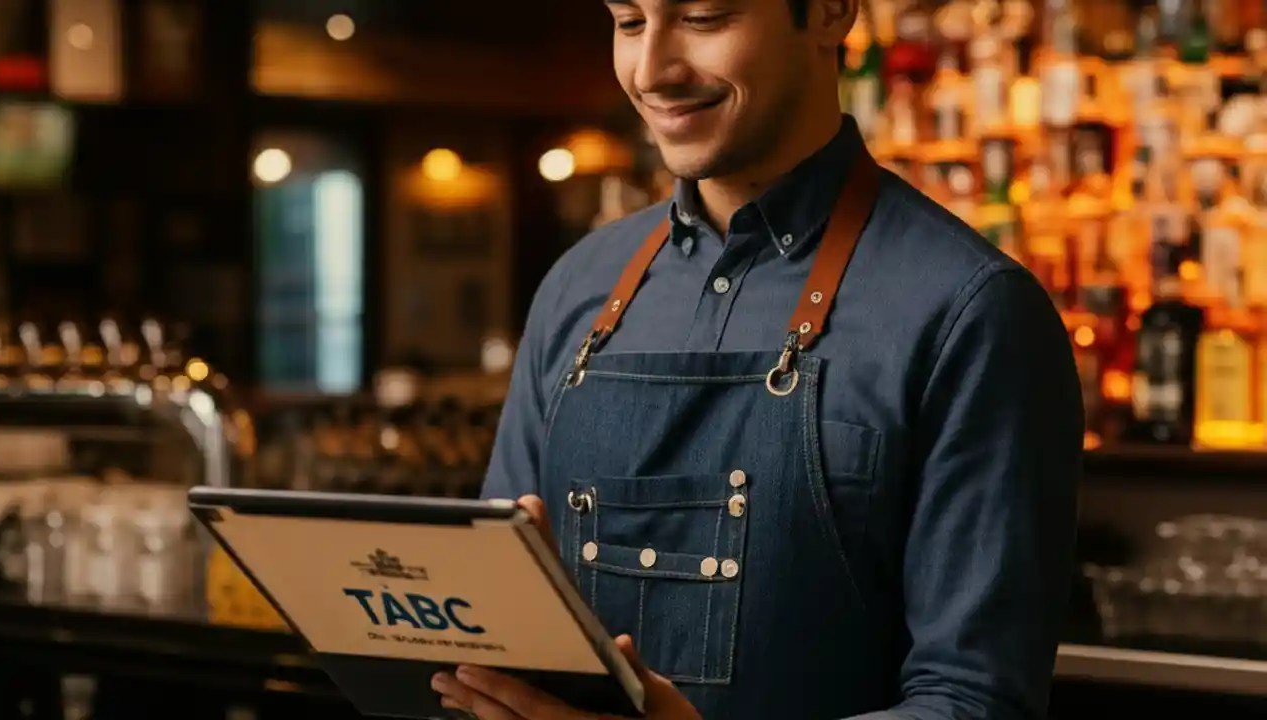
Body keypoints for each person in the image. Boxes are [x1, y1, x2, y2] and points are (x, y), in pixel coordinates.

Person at [433, 0, 1084, 717]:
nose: (651, 71)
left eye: (703, 17)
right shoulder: (575, 287)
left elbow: (976, 702)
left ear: (831, 13)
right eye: (629, 23)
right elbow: (489, 637)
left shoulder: (971, 313)